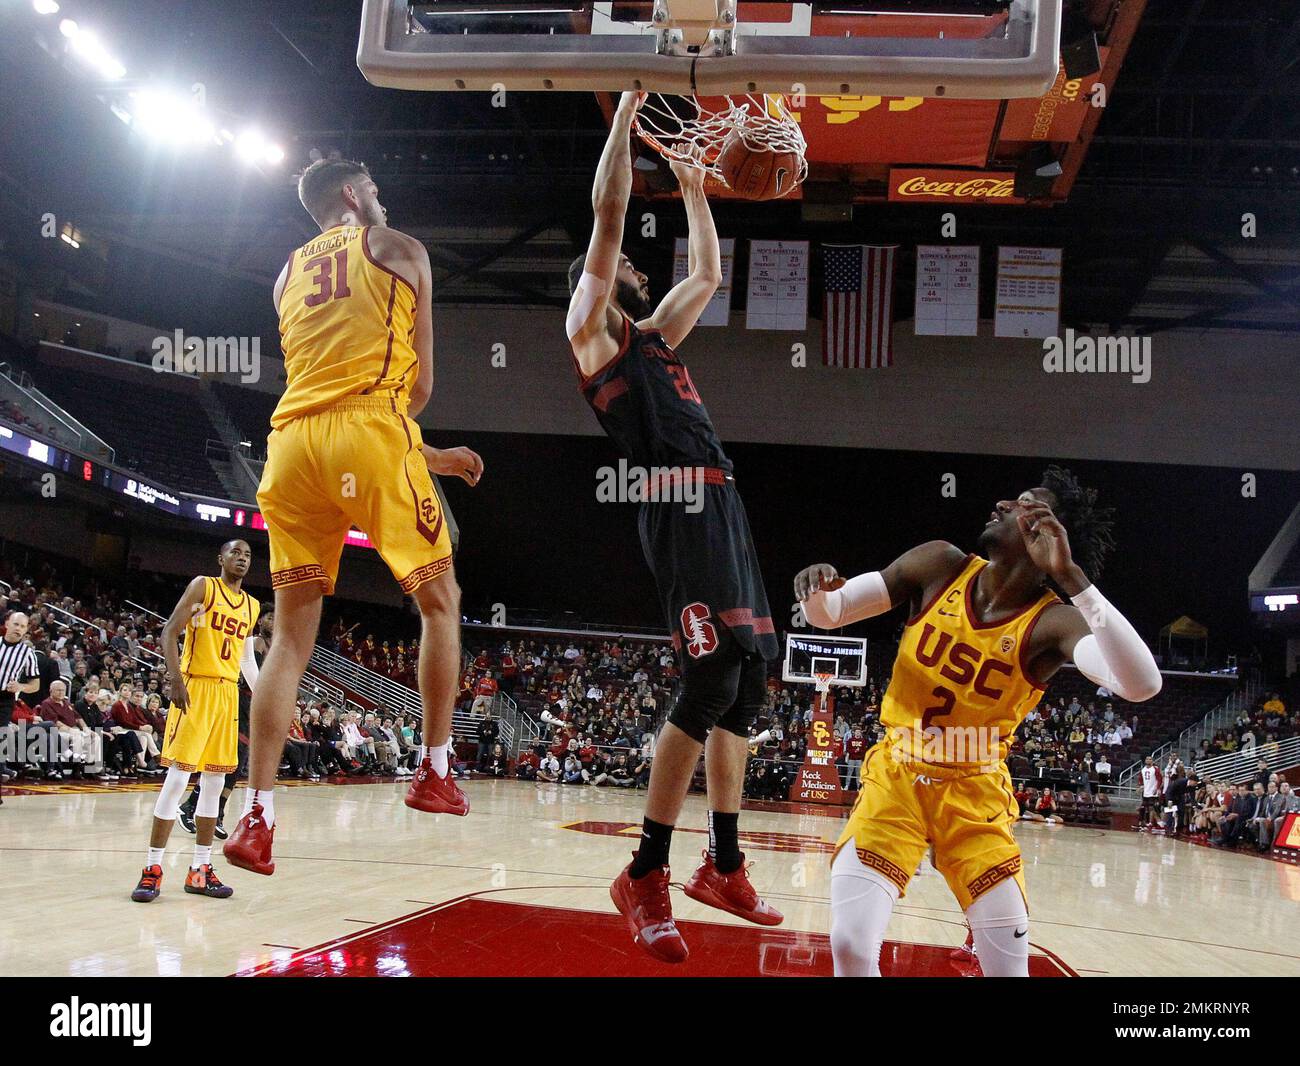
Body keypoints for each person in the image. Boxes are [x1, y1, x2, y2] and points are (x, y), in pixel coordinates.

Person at [567, 90, 783, 964]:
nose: (638, 274)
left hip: (721, 502)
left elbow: (709, 276)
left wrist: (693, 185)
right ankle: (644, 872)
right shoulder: (590, 329)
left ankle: (722, 864)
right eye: (624, 267)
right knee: (710, 678)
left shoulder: (654, 336)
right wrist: (622, 117)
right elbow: (610, 210)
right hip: (678, 503)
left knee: (752, 681)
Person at [222, 158, 485, 876]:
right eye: (373, 186)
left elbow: (328, 386)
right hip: (368, 436)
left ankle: (256, 817)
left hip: (289, 450)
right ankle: (434, 769)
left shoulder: (283, 276)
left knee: (289, 643)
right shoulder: (399, 249)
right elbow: (415, 391)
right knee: (440, 602)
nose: (381, 194)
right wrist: (412, 445)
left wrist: (426, 457)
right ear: (351, 192)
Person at [797, 467, 1161, 977]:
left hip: (974, 791)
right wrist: (816, 591)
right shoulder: (939, 563)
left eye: (1023, 504)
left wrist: (1072, 577)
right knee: (852, 945)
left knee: (1007, 971)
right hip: (897, 777)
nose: (1002, 504)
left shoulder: (1053, 620)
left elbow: (1142, 684)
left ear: (1049, 534)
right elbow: (830, 614)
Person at [130, 542, 260, 903]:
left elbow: (246, 661)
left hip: (227, 694)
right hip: (195, 688)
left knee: (215, 784)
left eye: (247, 555)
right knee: (177, 779)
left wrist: (265, 696)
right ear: (221, 558)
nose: (242, 558)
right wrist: (174, 678)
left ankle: (200, 870)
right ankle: (152, 869)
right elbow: (170, 630)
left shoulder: (251, 605)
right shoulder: (204, 586)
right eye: (235, 553)